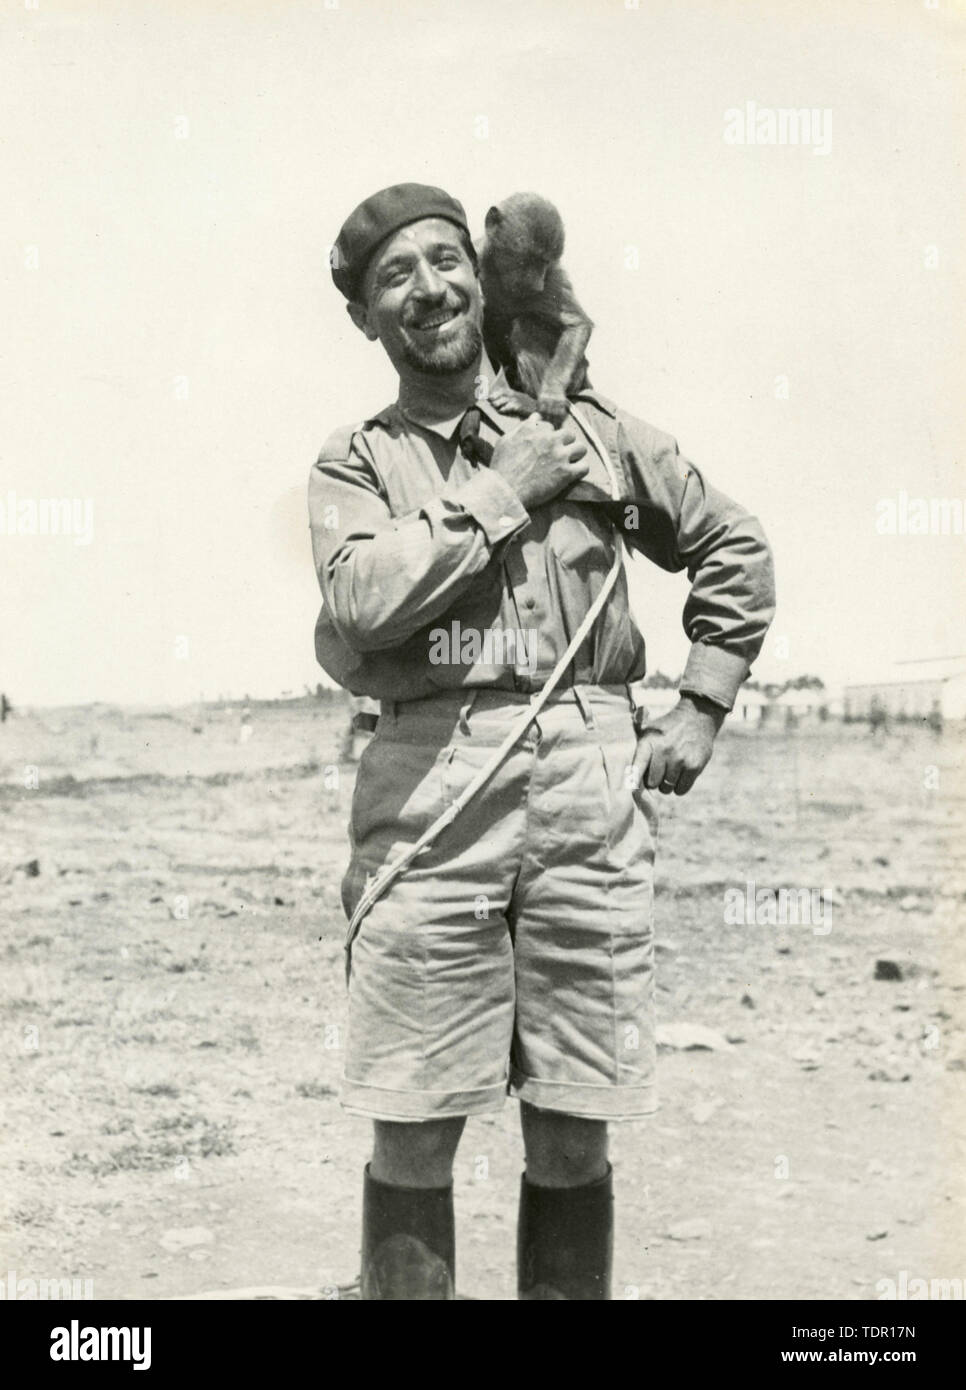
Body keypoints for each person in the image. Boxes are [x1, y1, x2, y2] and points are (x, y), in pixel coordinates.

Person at [308, 183, 776, 1300]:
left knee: (576, 1122)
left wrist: (701, 700)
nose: (428, 289)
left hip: (589, 784)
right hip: (431, 784)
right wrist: (499, 493)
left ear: (480, 274)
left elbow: (734, 543)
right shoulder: (357, 461)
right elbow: (360, 607)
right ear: (367, 319)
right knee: (415, 1120)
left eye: (443, 260)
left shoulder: (592, 432)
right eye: (394, 279)